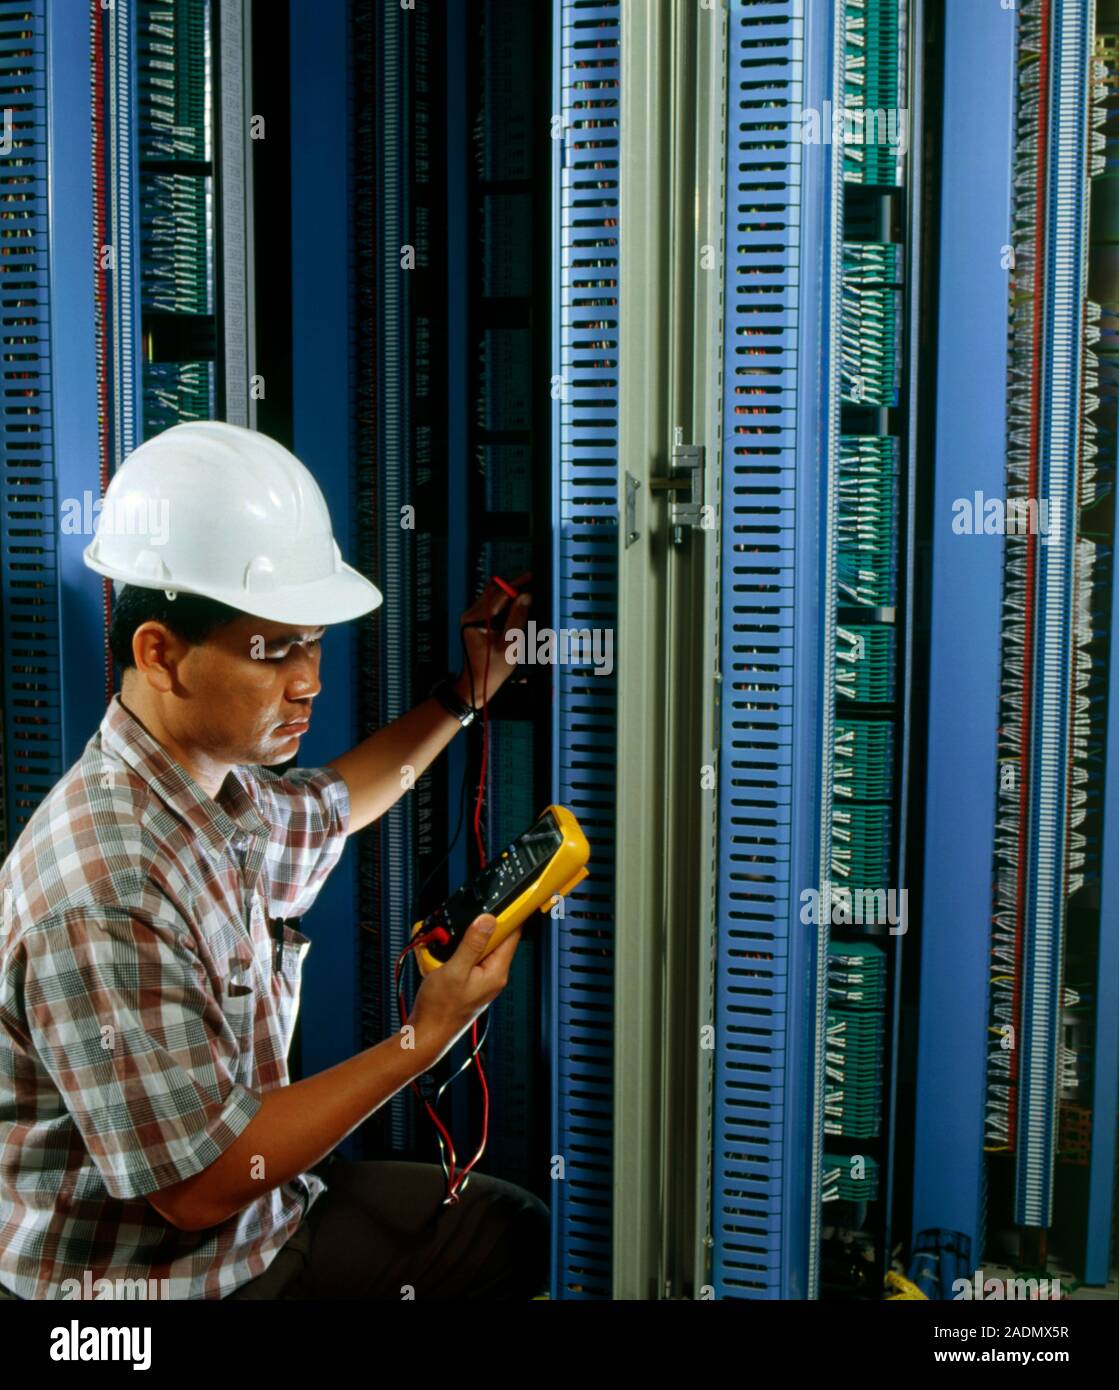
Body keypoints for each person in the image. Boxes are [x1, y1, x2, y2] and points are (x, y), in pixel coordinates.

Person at [0, 421, 547, 1300]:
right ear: (160, 654)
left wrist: (464, 695)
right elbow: (197, 1187)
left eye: (313, 643)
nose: (309, 682)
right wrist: (426, 1036)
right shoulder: (107, 889)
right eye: (272, 650)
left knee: (505, 1231)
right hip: (145, 1293)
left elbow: (339, 802)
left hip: (259, 1222)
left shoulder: (213, 792)